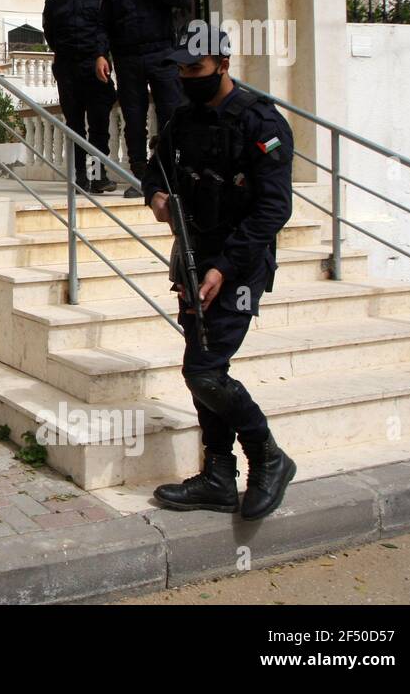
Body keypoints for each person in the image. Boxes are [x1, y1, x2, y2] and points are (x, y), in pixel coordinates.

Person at [141, 26, 297, 521]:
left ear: (223, 64)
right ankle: (218, 477)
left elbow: (273, 209)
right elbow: (154, 169)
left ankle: (268, 456)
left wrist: (225, 269)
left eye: (197, 69)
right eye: (182, 70)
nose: (188, 78)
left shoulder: (259, 121)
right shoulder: (183, 121)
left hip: (240, 265)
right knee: (203, 370)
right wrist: (156, 197)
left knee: (204, 371)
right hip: (193, 258)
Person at [98, 0, 192, 197]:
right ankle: (140, 177)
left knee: (170, 116)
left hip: (162, 55)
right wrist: (101, 54)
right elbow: (102, 26)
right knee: (134, 120)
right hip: (128, 61)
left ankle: (169, 174)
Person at [43, 0, 118, 193]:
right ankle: (80, 178)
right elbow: (50, 35)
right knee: (74, 127)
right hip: (67, 71)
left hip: (95, 68)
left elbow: (106, 30)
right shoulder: (53, 2)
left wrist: (100, 55)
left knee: (98, 128)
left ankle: (98, 177)